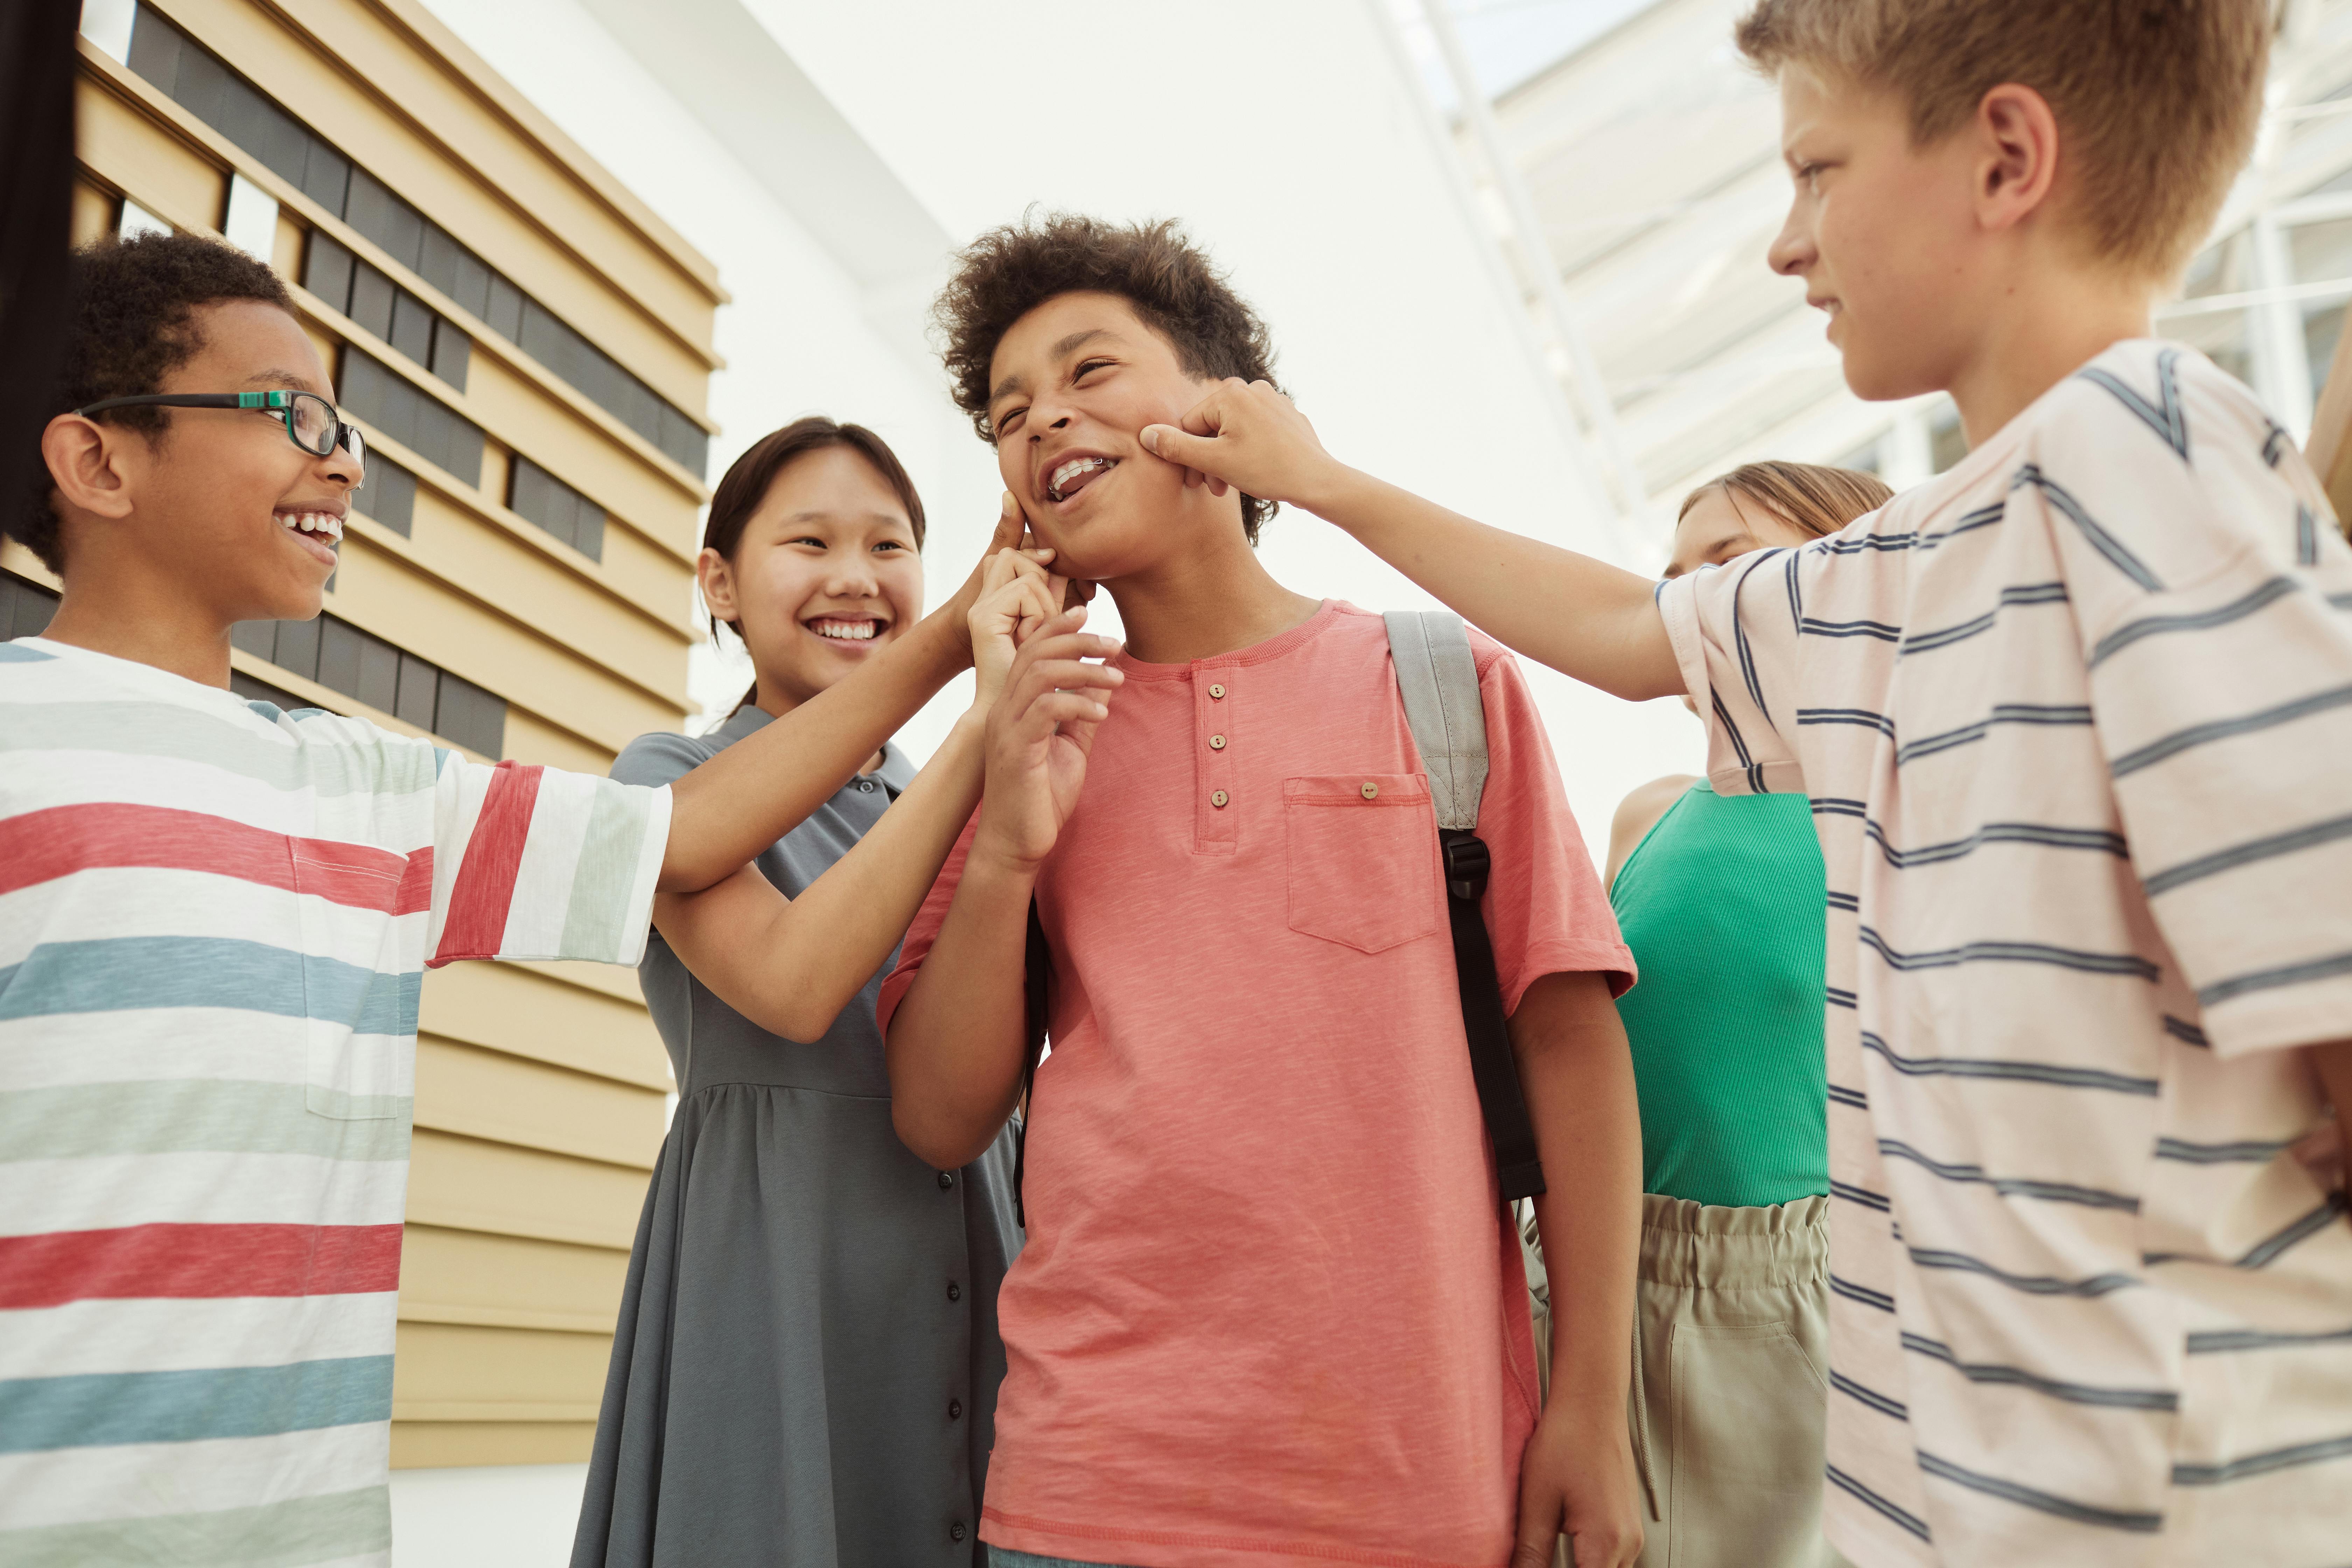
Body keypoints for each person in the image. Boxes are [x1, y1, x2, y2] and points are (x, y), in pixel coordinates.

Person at [1132, 1, 2352, 1562]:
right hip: (1950, 1504)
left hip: (2192, 1503)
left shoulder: (2151, 457)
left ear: (2004, 159)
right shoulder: (1910, 559)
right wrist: (1326, 481)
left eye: (1819, 170)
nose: (1787, 244)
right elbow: (1627, 630)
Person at [0, 230, 1068, 1568]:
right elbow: (757, 926)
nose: (342, 459)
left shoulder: (367, 783)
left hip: (293, 1522)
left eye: (347, 425)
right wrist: (963, 657)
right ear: (99, 458)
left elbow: (678, 839)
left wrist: (975, 643)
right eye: (293, 412)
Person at [881, 214, 1645, 1568]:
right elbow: (942, 1117)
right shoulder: (1029, 725)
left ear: (1227, 407)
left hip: (1419, 1485)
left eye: (1088, 371)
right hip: (1089, 1488)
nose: (1043, 419)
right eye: (1007, 413)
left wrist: (1592, 1402)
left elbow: (1574, 1045)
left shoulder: (1439, 682)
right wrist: (1008, 833)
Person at [573, 418, 1079, 1567]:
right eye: (809, 542)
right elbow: (794, 988)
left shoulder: (967, 790)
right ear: (721, 581)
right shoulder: (669, 780)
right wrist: (974, 704)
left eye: (889, 545)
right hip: (777, 1255)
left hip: (982, 1238)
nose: (855, 578)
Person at [1602, 462, 1891, 1568]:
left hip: (1812, 1305)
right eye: (1671, 582)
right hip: (1605, 1279)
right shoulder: (1654, 813)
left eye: (1721, 566)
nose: (1689, 609)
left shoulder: (1903, 808)